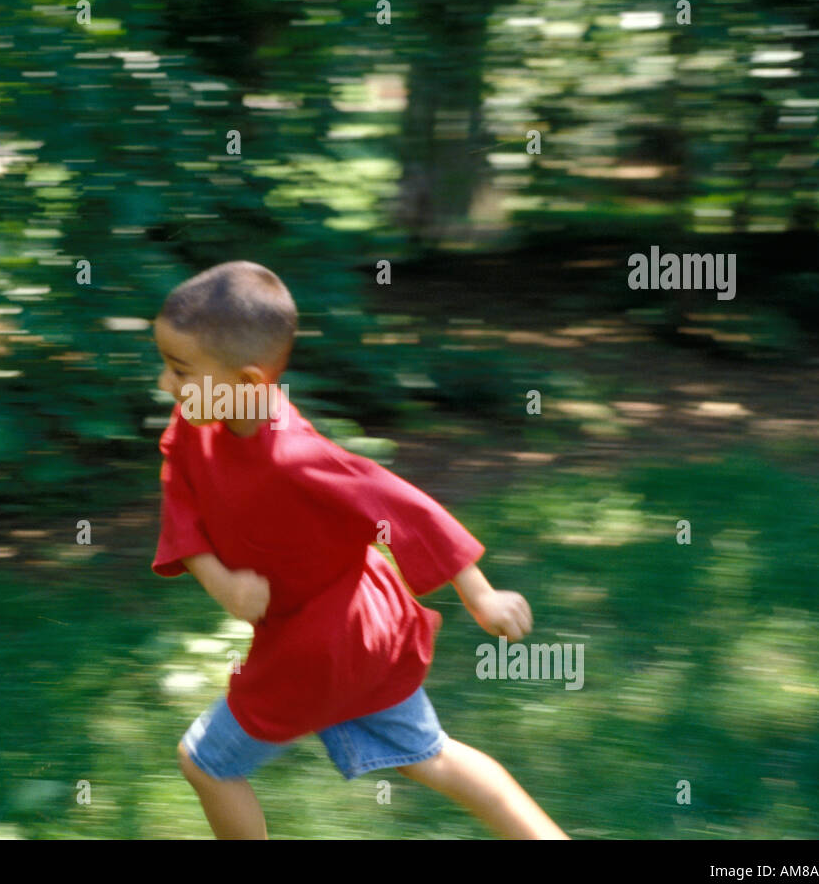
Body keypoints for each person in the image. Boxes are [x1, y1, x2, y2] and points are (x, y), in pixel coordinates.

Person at [151, 260, 568, 840]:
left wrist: (483, 594)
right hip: (355, 639)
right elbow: (182, 496)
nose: (166, 385)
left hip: (324, 643)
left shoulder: (297, 458)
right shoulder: (197, 424)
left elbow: (403, 509)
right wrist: (218, 578)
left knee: (206, 763)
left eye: (179, 370)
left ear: (246, 384)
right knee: (432, 756)